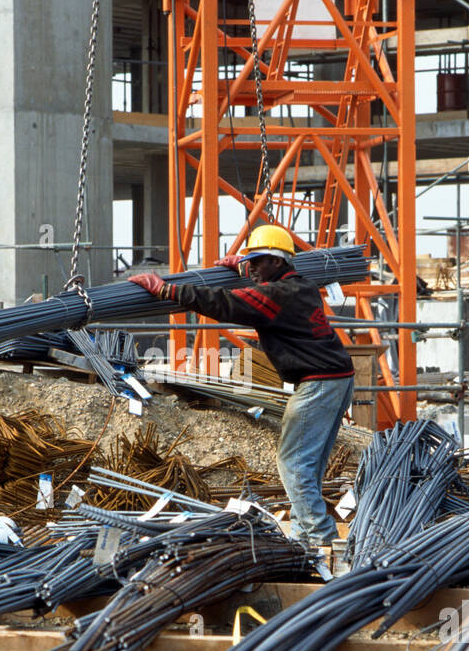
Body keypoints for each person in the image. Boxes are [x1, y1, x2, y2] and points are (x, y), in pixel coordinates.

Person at [129, 224, 354, 547]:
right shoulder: (301, 286)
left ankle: (322, 539)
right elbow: (264, 286)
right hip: (338, 379)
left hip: (319, 383)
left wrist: (168, 290)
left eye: (258, 262)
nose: (253, 269)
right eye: (251, 263)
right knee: (309, 466)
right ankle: (305, 538)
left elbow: (223, 302)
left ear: (277, 262)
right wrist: (243, 266)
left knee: (292, 464)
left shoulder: (274, 296)